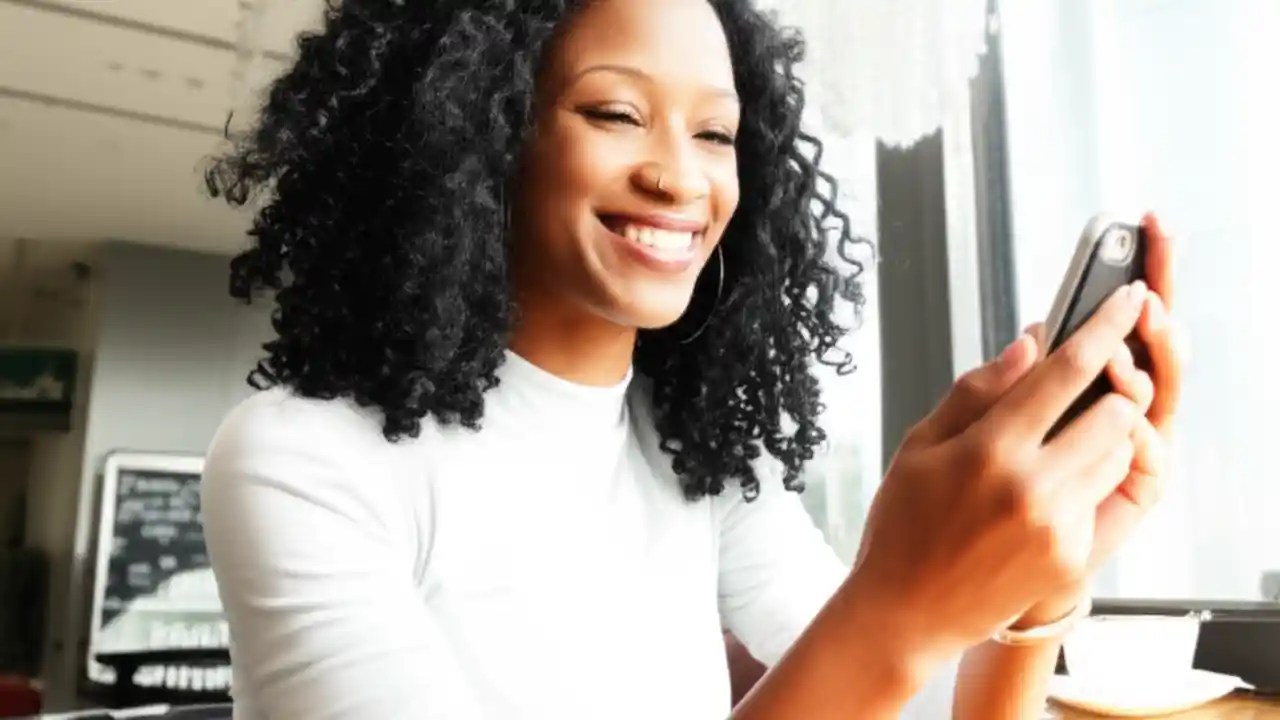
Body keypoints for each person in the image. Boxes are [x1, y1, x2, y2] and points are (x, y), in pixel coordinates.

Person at [200, 0, 1183, 718]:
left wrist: (1041, 582)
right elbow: (875, 654)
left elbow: (915, 710)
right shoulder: (300, 460)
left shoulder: (705, 465)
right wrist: (895, 606)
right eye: (614, 113)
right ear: (472, 135)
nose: (679, 177)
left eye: (714, 133)